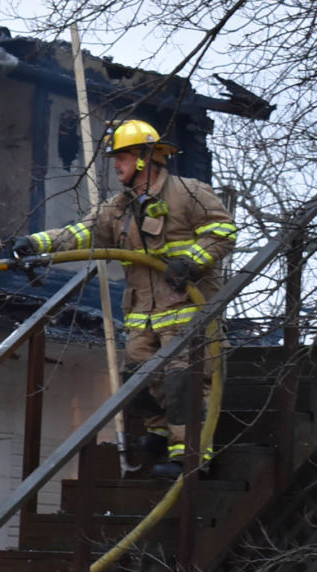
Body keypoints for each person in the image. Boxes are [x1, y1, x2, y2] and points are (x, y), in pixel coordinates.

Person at [12, 119, 237, 478]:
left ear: (145, 158)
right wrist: (36, 243)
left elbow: (223, 231)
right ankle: (159, 433)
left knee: (182, 379)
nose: (115, 165)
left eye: (122, 157)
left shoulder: (189, 193)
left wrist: (190, 262)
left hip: (188, 310)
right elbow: (82, 233)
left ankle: (190, 456)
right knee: (137, 376)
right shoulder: (118, 208)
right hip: (144, 313)